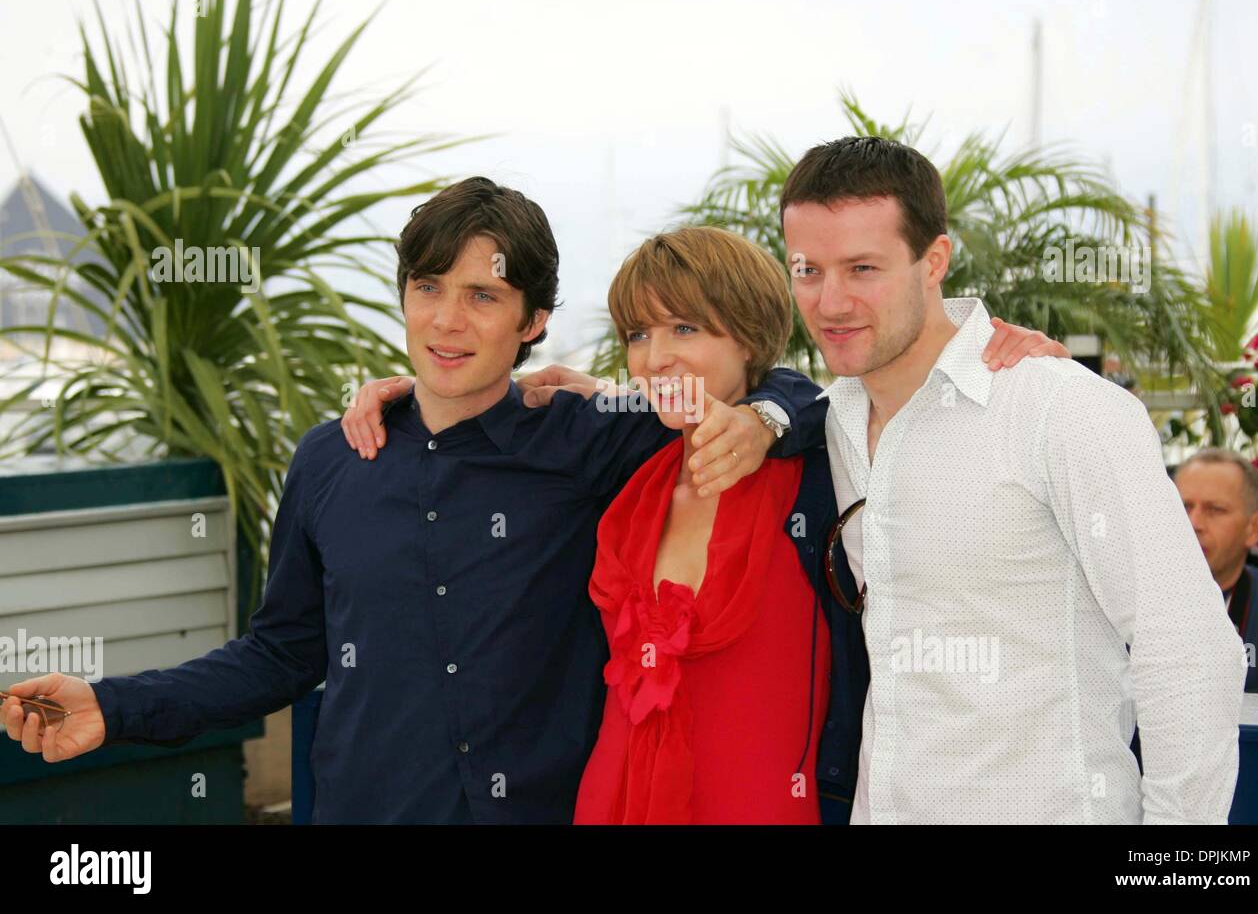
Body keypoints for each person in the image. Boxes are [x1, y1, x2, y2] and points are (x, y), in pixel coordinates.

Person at [2, 177, 825, 824]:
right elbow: (282, 654)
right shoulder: (332, 459)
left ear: (533, 321)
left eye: (483, 296)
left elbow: (777, 376)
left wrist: (762, 419)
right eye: (429, 287)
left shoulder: (588, 437)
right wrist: (115, 706)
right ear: (401, 295)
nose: (448, 321)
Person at [345, 233, 1067, 824]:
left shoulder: (824, 460)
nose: (656, 357)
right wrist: (413, 391)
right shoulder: (631, 463)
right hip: (617, 799)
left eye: (685, 328)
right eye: (638, 333)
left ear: (749, 337)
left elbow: (838, 396)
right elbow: (485, 404)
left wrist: (1000, 357)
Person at [780, 135, 1246, 824]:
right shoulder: (836, 423)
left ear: (933, 260)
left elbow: (1187, 646)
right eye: (808, 270)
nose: (831, 301)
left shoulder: (1061, 409)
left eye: (863, 267)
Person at [1175, 448, 1258, 694]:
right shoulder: (1124, 607)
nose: (1194, 523)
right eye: (1184, 506)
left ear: (1254, 529)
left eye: (1215, 510)